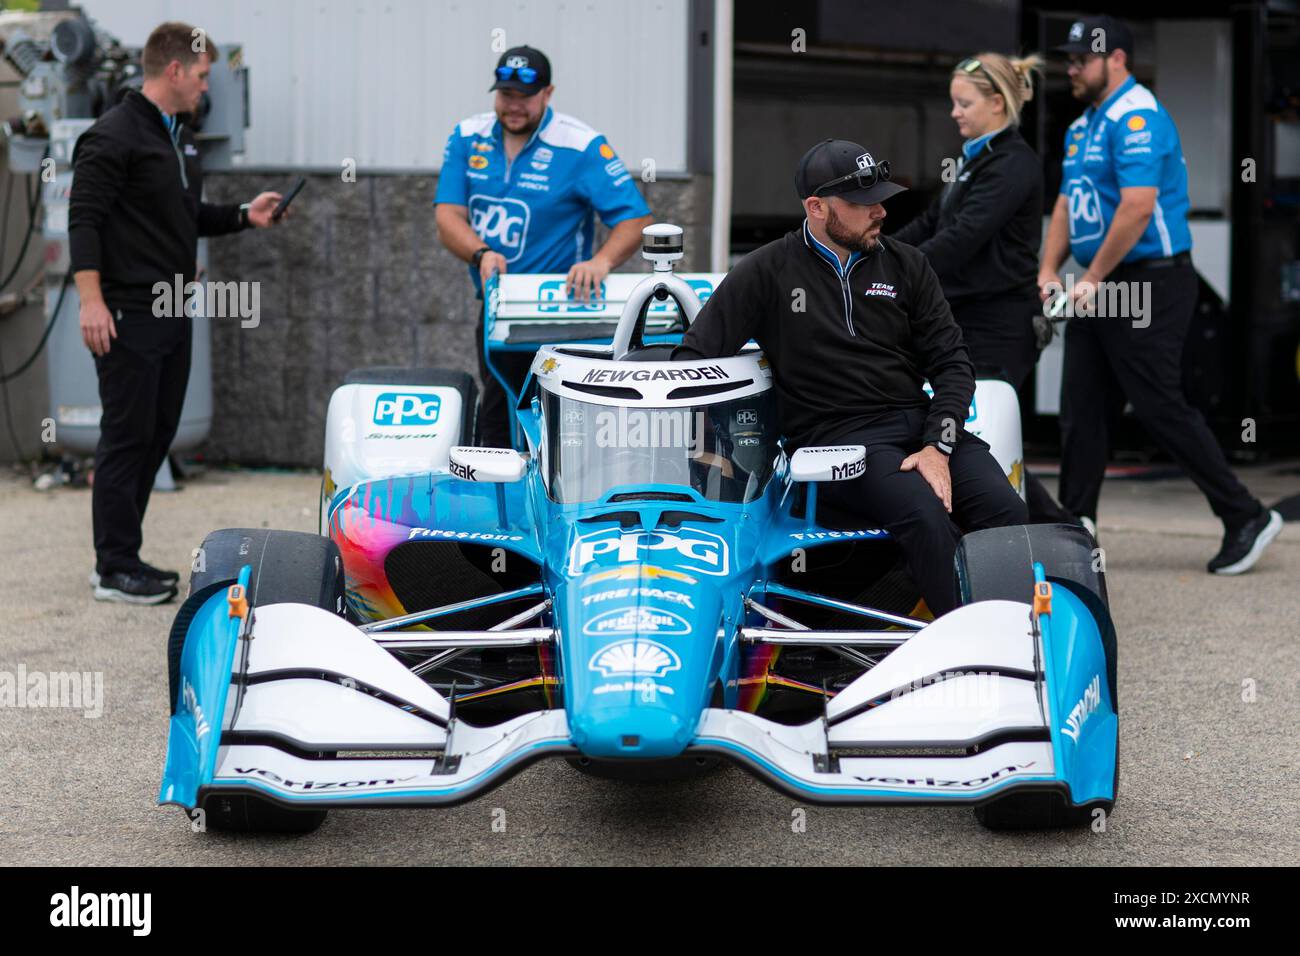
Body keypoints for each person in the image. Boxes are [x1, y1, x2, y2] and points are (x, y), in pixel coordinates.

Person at [674, 139, 1028, 616]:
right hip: (837, 443)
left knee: (1008, 513)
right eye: (863, 203)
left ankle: (1026, 642)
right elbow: (692, 360)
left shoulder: (908, 264)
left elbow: (952, 363)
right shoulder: (765, 270)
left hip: (919, 429)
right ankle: (976, 647)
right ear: (816, 207)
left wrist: (937, 446)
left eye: (880, 197)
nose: (880, 211)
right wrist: (717, 450)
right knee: (926, 516)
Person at [1040, 15, 1282, 573]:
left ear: (1117, 59)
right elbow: (1064, 202)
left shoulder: (1138, 115)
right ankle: (1074, 531)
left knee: (1155, 402)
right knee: (1081, 405)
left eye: (1081, 59)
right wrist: (1050, 268)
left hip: (1152, 278)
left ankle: (1245, 514)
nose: (1071, 67)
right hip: (1106, 280)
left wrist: (1093, 279)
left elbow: (1138, 206)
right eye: (1069, 59)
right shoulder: (1084, 125)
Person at [71, 22, 287, 605]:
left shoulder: (179, 137)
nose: (204, 88)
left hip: (172, 308)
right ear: (172, 70)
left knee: (158, 432)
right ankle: (112, 566)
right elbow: (84, 221)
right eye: (199, 75)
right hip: (125, 311)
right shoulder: (113, 136)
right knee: (127, 434)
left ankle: (125, 556)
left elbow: (185, 217)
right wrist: (90, 299)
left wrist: (246, 214)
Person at [434, 45, 654, 447]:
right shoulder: (467, 136)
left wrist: (600, 262)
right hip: (499, 305)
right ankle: (501, 506)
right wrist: (481, 253)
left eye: (525, 97)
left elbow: (635, 221)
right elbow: (448, 217)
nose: (513, 106)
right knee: (498, 411)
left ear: (548, 94)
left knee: (564, 421)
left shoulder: (581, 145)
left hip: (564, 310)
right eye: (506, 95)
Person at [894, 50, 1074, 524]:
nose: (954, 113)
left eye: (964, 103)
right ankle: (1053, 529)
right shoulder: (971, 161)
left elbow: (962, 239)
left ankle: (1059, 532)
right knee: (973, 441)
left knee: (979, 442)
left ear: (996, 103)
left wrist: (891, 270)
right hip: (968, 319)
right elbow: (932, 222)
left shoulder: (1012, 163)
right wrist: (874, 253)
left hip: (1000, 324)